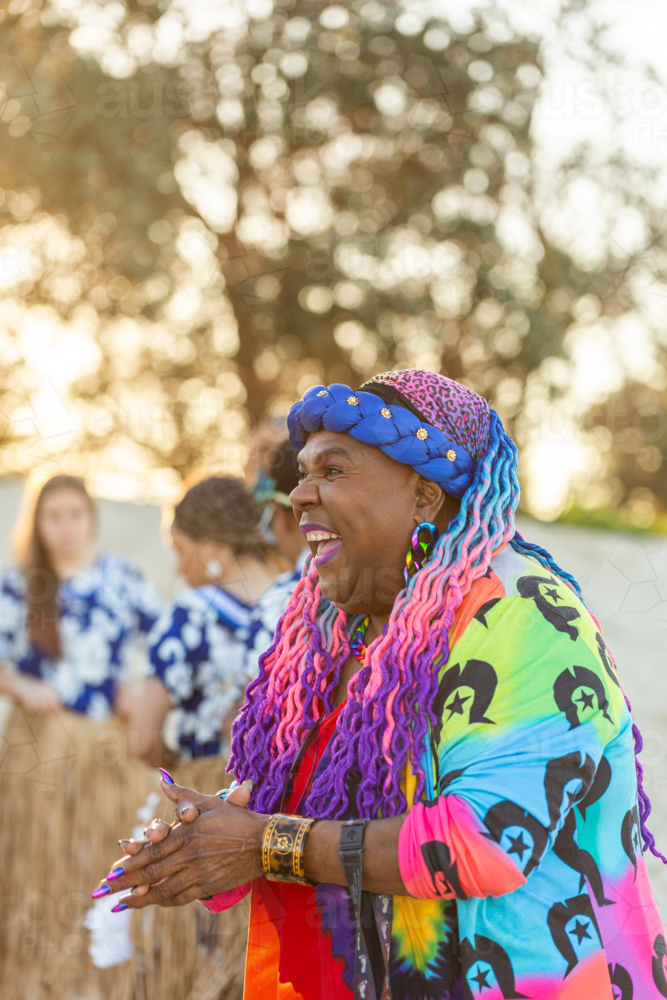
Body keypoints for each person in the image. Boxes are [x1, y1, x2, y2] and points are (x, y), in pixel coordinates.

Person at [98, 371, 667, 1000]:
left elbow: (480, 844)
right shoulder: (334, 631)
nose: (300, 495)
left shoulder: (524, 614)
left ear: (425, 494)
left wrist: (265, 844)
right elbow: (290, 813)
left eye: (334, 471)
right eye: (303, 473)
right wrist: (209, 841)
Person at [0, 473, 162, 1000]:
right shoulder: (21, 585)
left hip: (108, 756)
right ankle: (35, 975)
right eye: (54, 516)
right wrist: (19, 682)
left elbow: (165, 642)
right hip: (42, 758)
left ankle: (100, 978)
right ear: (38, 523)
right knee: (39, 867)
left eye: (74, 514)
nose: (66, 527)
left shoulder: (121, 578)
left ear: (90, 517)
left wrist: (137, 687)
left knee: (99, 858)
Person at [126, 474, 278, 1000]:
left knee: (193, 961)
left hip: (204, 808)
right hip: (275, 813)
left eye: (181, 550)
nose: (175, 566)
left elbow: (143, 738)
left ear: (213, 551)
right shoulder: (301, 601)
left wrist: (177, 764)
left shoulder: (191, 613)